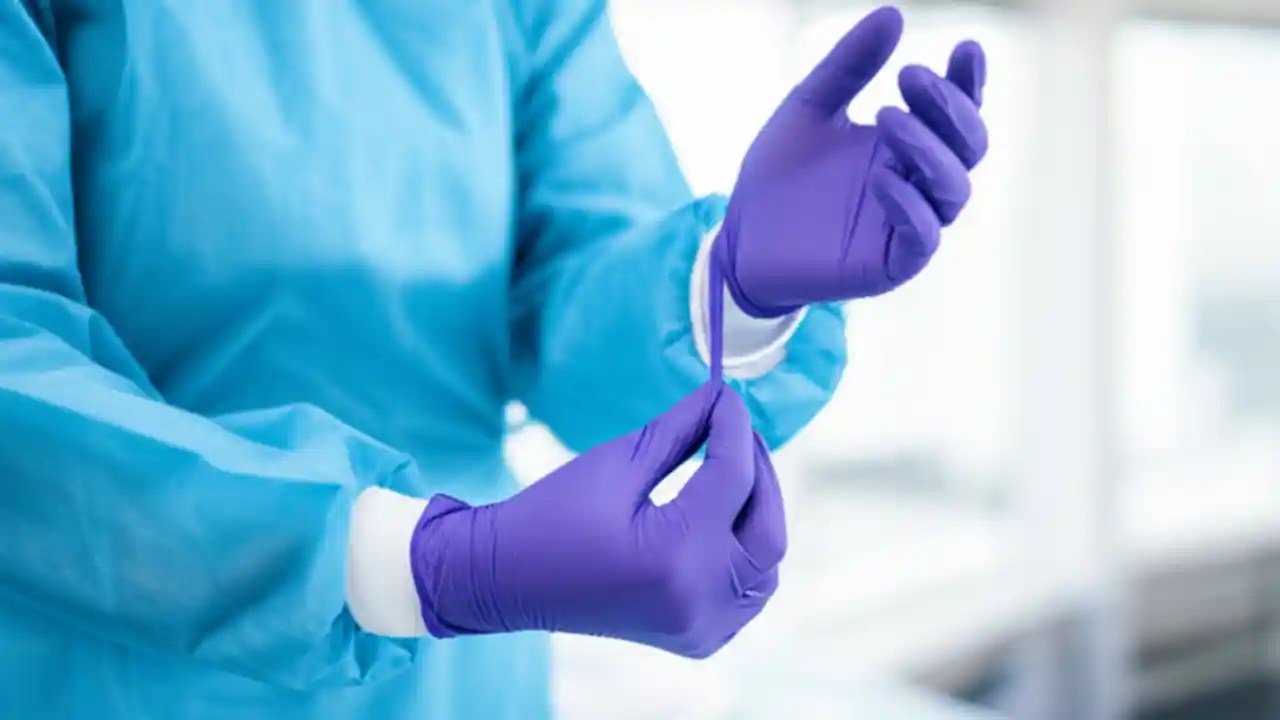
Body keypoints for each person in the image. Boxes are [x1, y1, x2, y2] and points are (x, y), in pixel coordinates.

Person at [0, 1, 987, 717]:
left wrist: (732, 289)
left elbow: (567, 293)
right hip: (117, 672)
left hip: (464, 683)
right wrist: (412, 563)